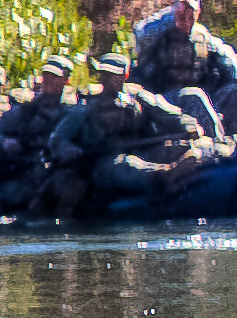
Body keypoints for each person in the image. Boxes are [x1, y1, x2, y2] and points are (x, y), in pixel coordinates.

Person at [38, 50, 221, 219]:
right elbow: (58, 137)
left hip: (142, 150)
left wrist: (188, 125)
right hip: (104, 162)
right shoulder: (86, 107)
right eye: (104, 75)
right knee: (125, 165)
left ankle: (207, 158)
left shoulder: (137, 95)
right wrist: (68, 148)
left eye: (112, 75)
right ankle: (164, 175)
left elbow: (170, 114)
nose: (107, 79)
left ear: (124, 76)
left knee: (178, 147)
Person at [132, 0, 237, 142]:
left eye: (190, 13)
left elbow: (229, 60)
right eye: (180, 12)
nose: (185, 19)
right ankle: (218, 144)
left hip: (201, 95)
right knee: (193, 95)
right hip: (165, 97)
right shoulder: (157, 33)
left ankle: (236, 138)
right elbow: (140, 34)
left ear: (198, 12)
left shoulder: (203, 37)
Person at [0, 60, 74, 210]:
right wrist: (4, 141)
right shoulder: (27, 110)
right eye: (46, 77)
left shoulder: (74, 111)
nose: (48, 82)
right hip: (27, 166)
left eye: (54, 78)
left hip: (61, 168)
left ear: (65, 81)